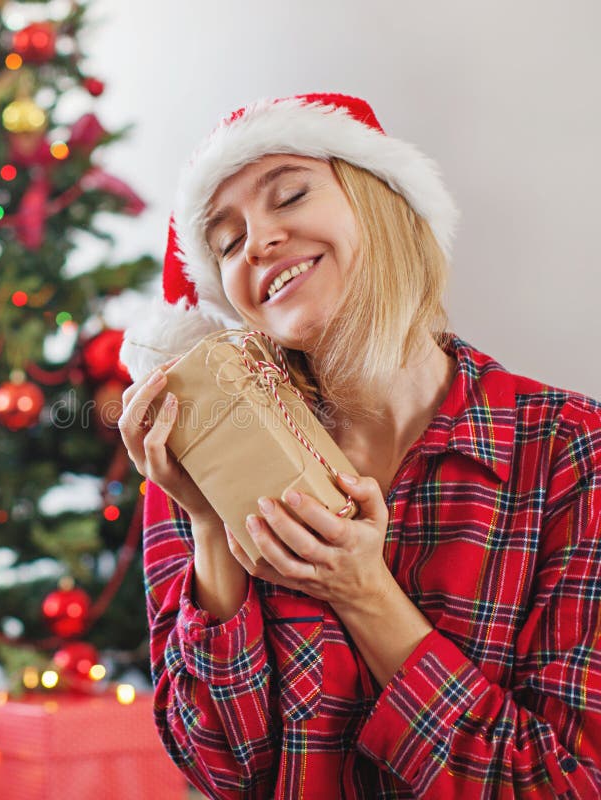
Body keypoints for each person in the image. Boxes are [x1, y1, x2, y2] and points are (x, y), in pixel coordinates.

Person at [117, 93, 601, 799]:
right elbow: (220, 770)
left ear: (385, 202)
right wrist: (209, 525)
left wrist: (364, 593)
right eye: (226, 242)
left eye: (290, 195)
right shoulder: (198, 467)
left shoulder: (572, 453)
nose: (256, 243)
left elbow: (566, 786)